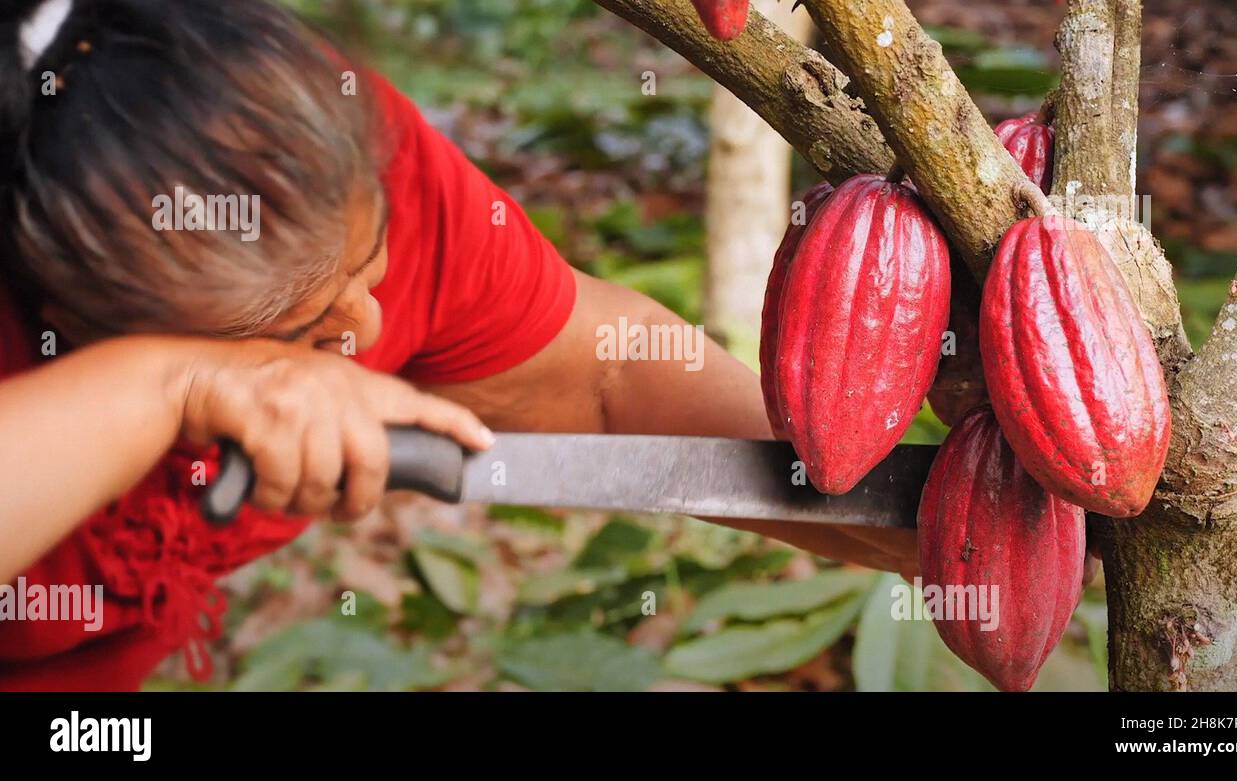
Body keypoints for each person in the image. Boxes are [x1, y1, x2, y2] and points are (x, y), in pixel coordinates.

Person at [0, 0, 917, 690]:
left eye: (369, 264)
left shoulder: (313, 151)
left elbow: (604, 378)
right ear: (72, 322)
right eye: (301, 335)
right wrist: (174, 386)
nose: (367, 330)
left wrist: (916, 518)